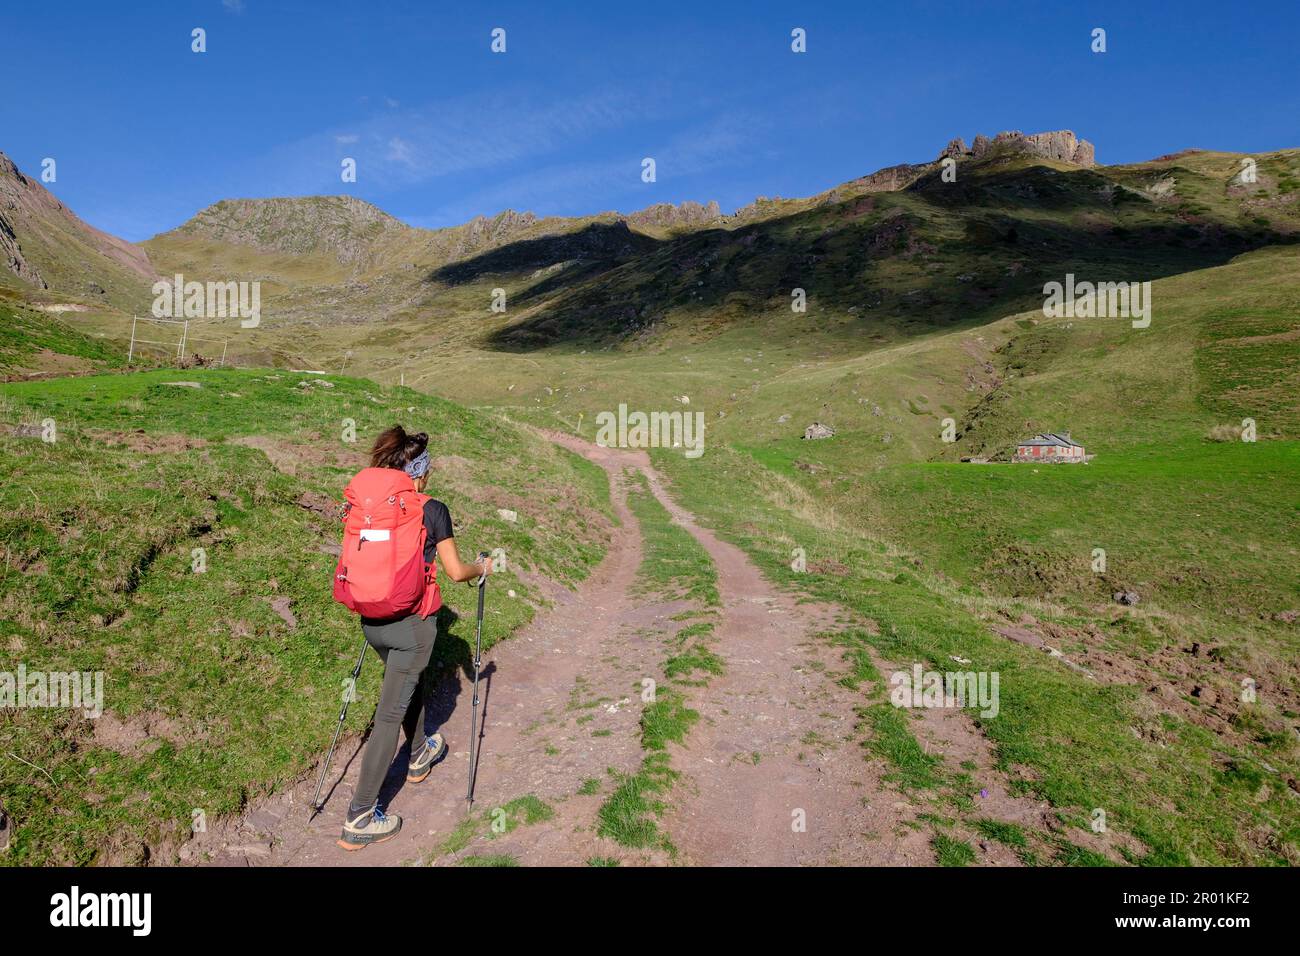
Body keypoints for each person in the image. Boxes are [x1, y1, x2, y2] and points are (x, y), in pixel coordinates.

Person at [338, 426, 491, 851]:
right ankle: (360, 817)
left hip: (371, 621)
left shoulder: (365, 509)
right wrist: (484, 567)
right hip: (412, 627)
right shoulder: (432, 509)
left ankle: (421, 749)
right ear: (418, 473)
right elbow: (457, 572)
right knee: (389, 715)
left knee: (406, 684)